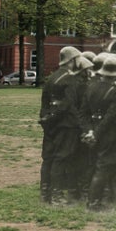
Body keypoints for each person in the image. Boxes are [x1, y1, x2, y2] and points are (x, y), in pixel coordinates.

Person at [38, 46, 89, 205]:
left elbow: (44, 102)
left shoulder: (52, 77)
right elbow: (69, 105)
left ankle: (45, 193)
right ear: (72, 60)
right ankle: (57, 195)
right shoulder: (70, 79)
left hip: (51, 123)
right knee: (62, 158)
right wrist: (81, 126)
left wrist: (47, 118)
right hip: (66, 124)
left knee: (49, 158)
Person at [83, 54, 116, 211]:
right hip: (109, 133)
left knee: (94, 165)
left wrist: (89, 130)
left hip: (93, 131)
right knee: (103, 167)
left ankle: (95, 198)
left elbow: (83, 112)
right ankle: (94, 203)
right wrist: (96, 133)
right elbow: (113, 115)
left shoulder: (91, 87)